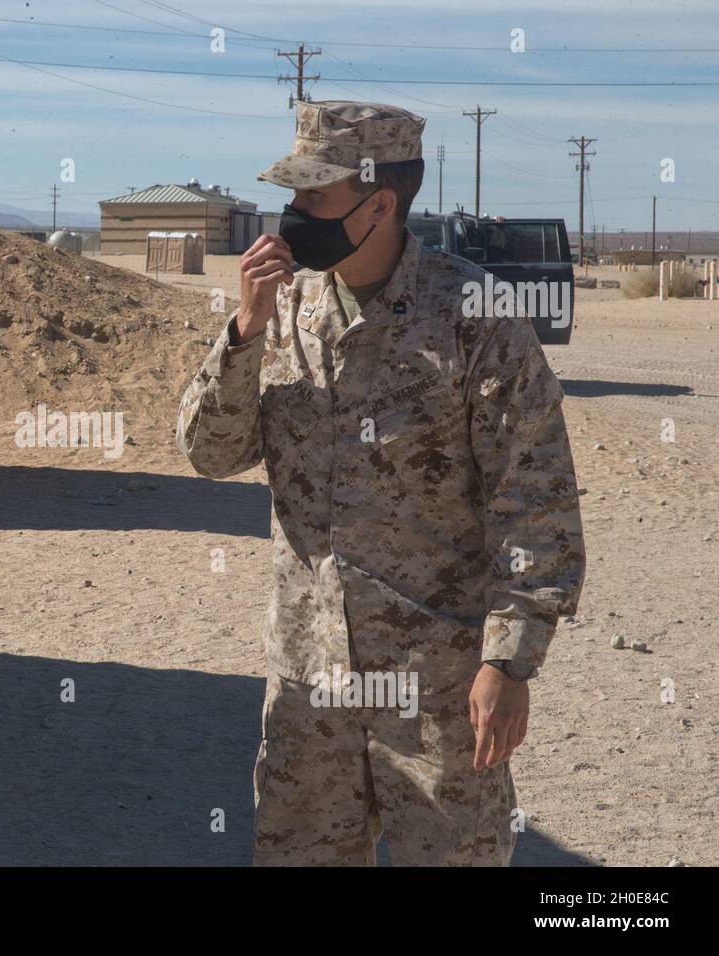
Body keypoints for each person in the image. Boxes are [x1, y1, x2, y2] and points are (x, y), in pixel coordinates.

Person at [176, 100, 585, 866]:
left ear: (380, 204)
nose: (293, 213)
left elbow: (537, 505)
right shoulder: (282, 309)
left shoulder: (477, 319)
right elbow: (209, 453)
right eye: (292, 194)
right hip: (309, 692)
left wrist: (511, 661)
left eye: (313, 197)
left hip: (439, 695)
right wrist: (243, 331)